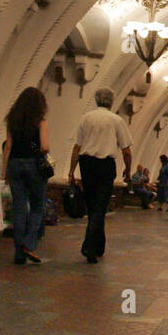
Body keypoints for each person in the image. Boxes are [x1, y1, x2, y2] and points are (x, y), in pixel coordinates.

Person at [67, 86, 132, 263]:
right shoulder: (116, 120)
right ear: (111, 102)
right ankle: (89, 247)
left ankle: (98, 246)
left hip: (86, 165)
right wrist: (128, 169)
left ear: (96, 100)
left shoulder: (85, 119)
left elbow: (77, 147)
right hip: (105, 166)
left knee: (93, 205)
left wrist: (72, 170)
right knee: (100, 207)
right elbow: (126, 150)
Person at [3, 87, 50, 265]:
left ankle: (18, 253)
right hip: (34, 165)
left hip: (14, 164)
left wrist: (4, 171)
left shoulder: (12, 121)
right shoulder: (41, 122)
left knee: (19, 207)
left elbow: (8, 146)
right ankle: (29, 244)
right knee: (38, 206)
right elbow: (45, 147)